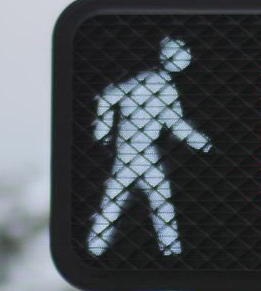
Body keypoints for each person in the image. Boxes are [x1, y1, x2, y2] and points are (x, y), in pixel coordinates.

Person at [87, 36, 212, 256]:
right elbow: (109, 96)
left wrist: (104, 132)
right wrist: (102, 131)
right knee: (142, 200)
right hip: (133, 151)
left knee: (149, 200)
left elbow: (173, 123)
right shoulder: (150, 82)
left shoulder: (159, 85)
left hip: (142, 151)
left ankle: (169, 250)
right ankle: (97, 248)